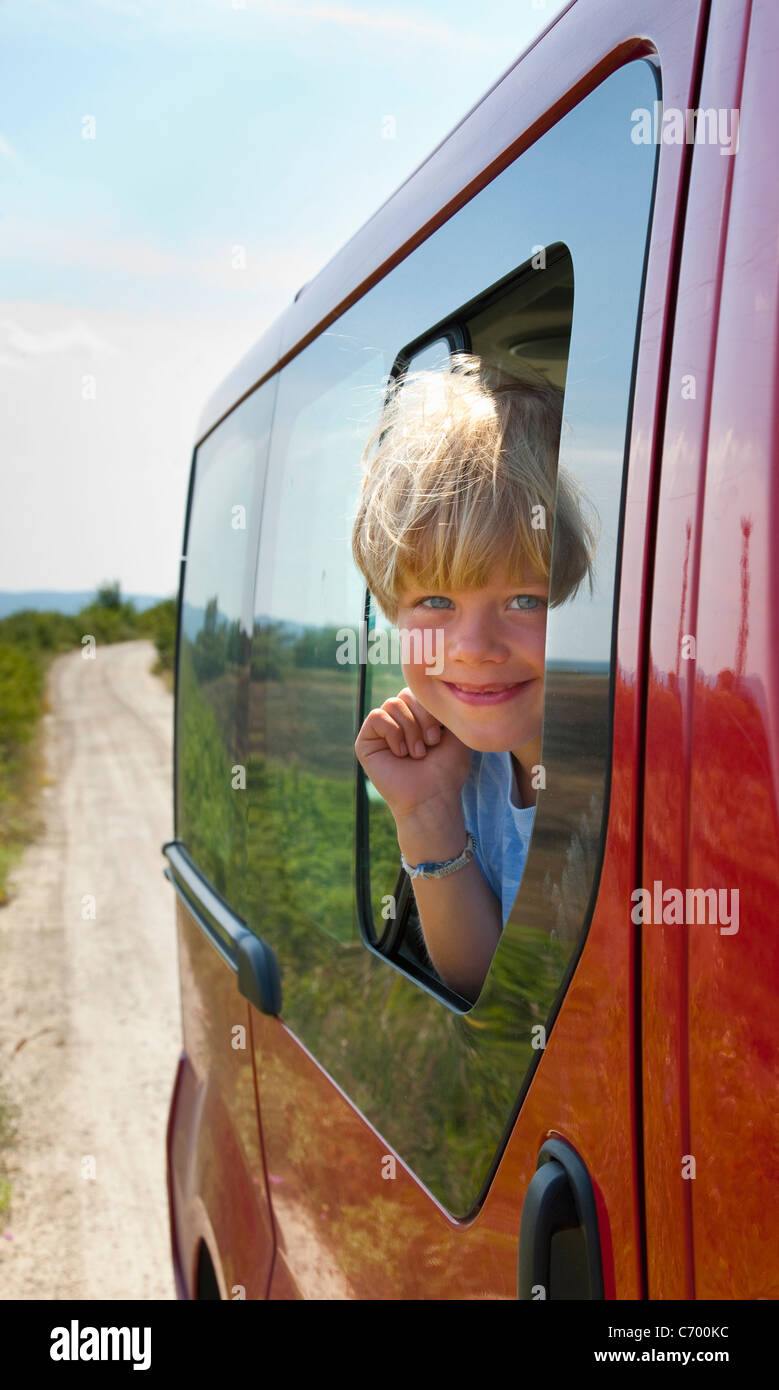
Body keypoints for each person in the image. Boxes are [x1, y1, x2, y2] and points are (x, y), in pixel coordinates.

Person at [352, 352, 596, 1002]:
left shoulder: (619, 791)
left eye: (525, 600)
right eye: (436, 601)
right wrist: (427, 813)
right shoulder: (473, 775)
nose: (473, 648)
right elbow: (488, 994)